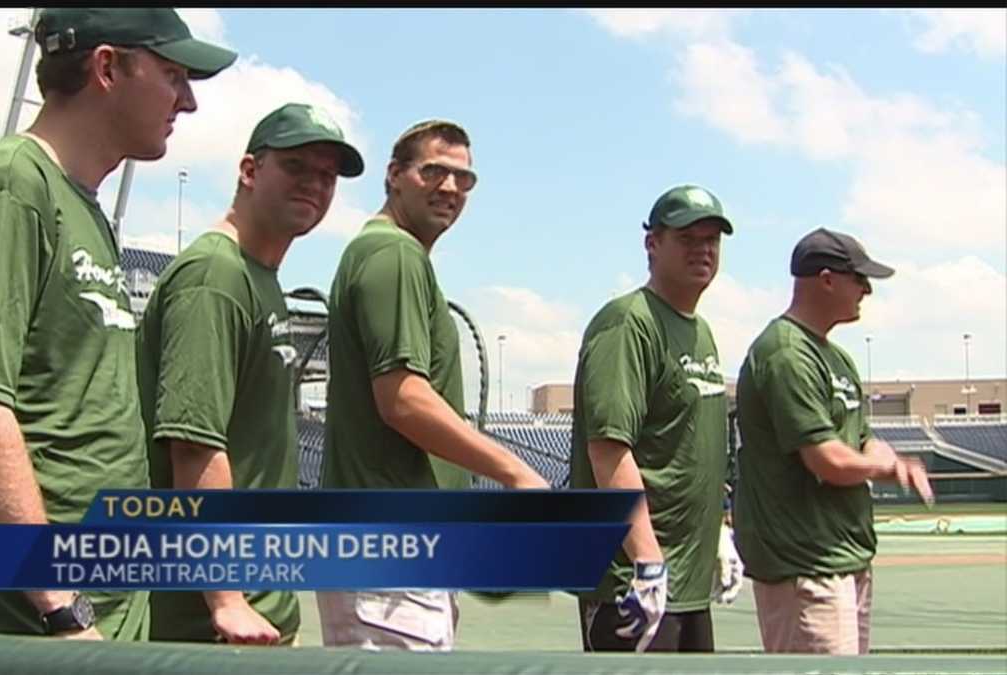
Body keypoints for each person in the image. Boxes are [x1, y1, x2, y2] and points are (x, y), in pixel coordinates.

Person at [0, 8, 236, 639]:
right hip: (23, 631)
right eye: (172, 74)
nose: (188, 101)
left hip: (101, 620)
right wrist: (61, 606)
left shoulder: (83, 210)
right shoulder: (5, 187)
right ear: (107, 66)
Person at [316, 119, 549, 651]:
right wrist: (516, 474)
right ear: (395, 176)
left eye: (464, 179)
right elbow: (402, 398)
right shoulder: (392, 254)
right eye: (434, 172)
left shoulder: (392, 253)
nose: (450, 188)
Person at [138, 103, 364, 646]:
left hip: (262, 607)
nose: (314, 184)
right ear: (249, 170)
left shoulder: (261, 277)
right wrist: (228, 599)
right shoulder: (215, 275)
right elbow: (193, 442)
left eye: (327, 177)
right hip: (214, 624)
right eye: (297, 167)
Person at [734, 227, 933, 655]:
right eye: (858, 278)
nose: (866, 290)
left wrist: (882, 455)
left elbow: (864, 441)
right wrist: (890, 467)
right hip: (804, 563)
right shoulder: (786, 352)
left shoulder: (835, 356)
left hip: (843, 556)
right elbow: (826, 460)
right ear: (825, 280)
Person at [569, 184, 737, 653]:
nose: (703, 250)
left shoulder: (701, 332)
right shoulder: (628, 322)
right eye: (688, 238)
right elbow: (608, 448)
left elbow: (689, 449)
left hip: (686, 583)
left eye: (712, 240)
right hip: (633, 584)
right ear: (652, 243)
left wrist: (719, 530)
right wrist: (646, 561)